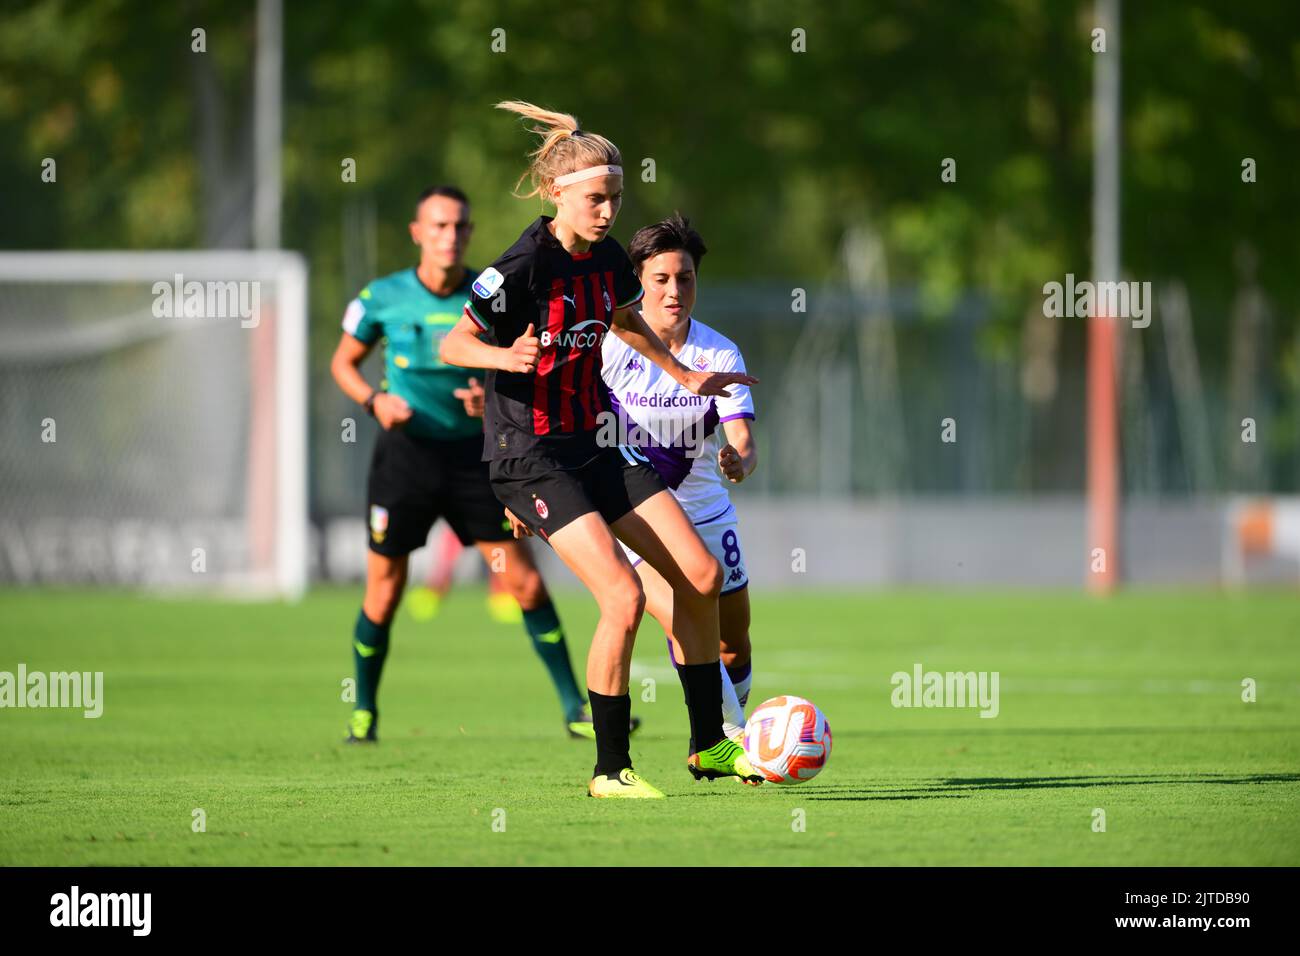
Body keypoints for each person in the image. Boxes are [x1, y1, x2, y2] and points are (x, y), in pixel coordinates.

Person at [439, 101, 762, 798]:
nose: (608, 209)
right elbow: (452, 343)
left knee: (701, 576)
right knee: (620, 596)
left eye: (615, 197)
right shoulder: (520, 265)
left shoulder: (613, 260)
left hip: (592, 445)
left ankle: (709, 746)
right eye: (595, 198)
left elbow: (623, 320)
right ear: (559, 194)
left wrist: (685, 376)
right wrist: (506, 356)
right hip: (528, 456)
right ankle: (610, 770)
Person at [330, 184, 622, 743]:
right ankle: (363, 711)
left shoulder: (492, 290)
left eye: (461, 226)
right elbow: (343, 363)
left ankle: (574, 708)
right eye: (439, 226)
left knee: (524, 583)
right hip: (406, 459)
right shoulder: (381, 297)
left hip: (477, 458)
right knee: (385, 591)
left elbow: (522, 362)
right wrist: (373, 401)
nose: (451, 236)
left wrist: (482, 395)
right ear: (417, 233)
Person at [601, 213, 756, 742]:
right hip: (636, 508)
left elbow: (744, 442)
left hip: (706, 508)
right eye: (660, 279)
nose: (674, 291)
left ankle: (720, 728)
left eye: (684, 278)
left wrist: (737, 458)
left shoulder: (719, 352)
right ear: (638, 283)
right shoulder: (609, 346)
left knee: (734, 642)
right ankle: (728, 737)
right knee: (680, 616)